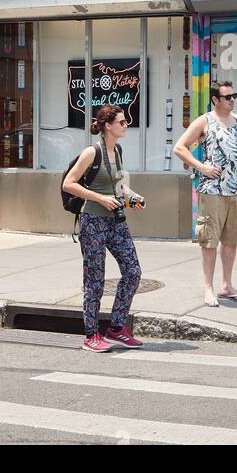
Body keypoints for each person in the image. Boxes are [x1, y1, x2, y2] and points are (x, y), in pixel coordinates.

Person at [62, 105, 146, 353]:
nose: (125, 125)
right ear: (108, 125)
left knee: (133, 271)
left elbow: (118, 187)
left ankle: (117, 328)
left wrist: (133, 197)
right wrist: (99, 199)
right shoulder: (92, 152)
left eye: (125, 121)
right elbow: (69, 184)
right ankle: (91, 335)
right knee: (95, 280)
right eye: (121, 122)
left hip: (116, 221)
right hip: (93, 221)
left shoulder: (117, 150)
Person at [173, 80, 237, 308]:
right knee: (209, 241)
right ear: (215, 100)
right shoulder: (205, 121)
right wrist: (201, 167)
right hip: (212, 191)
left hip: (236, 190)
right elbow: (179, 147)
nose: (232, 100)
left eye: (234, 96)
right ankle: (208, 288)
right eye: (227, 97)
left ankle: (227, 285)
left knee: (232, 240)